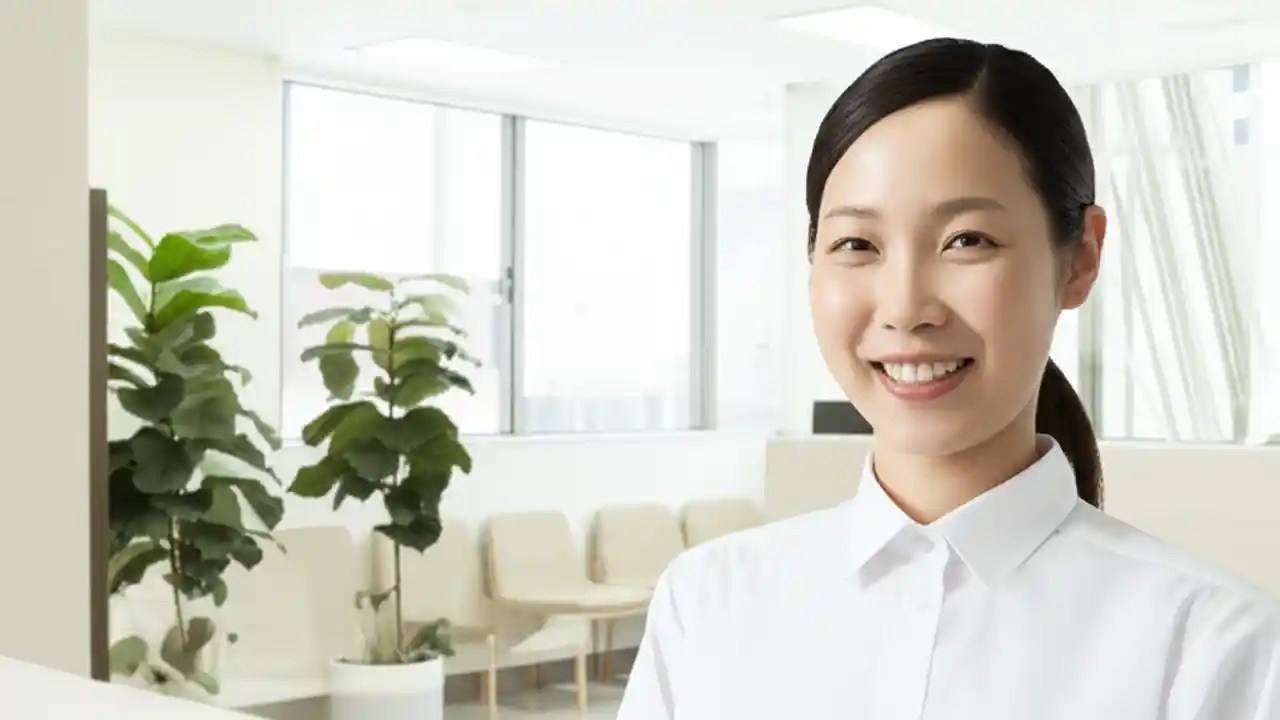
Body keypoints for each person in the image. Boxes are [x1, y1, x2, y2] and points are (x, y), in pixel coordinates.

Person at [617, 38, 1280, 719]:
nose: (905, 307)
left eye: (968, 240)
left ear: (1080, 257)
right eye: (857, 245)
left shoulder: (1215, 647)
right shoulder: (709, 604)